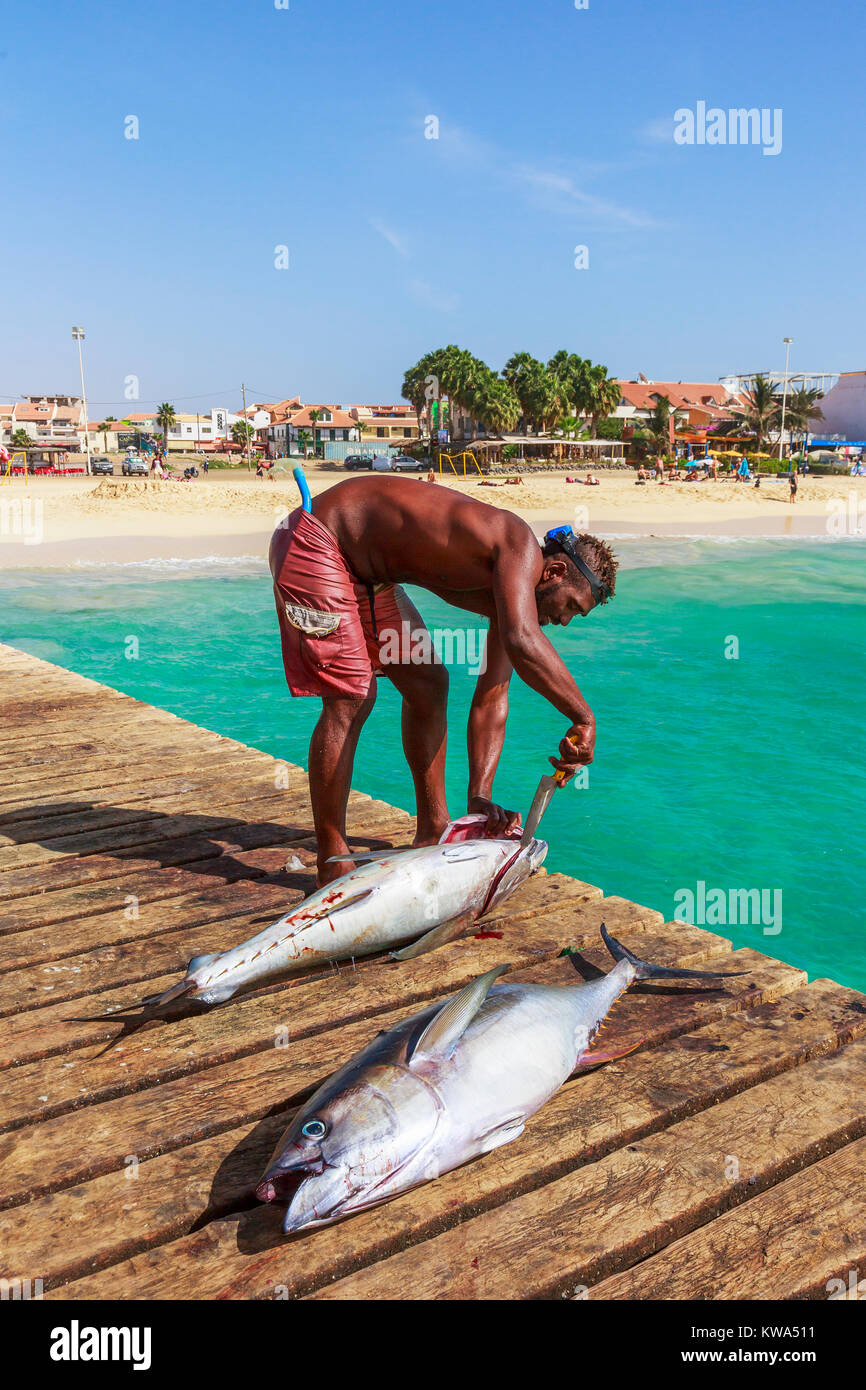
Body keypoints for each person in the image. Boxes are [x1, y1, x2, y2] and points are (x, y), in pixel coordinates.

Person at [269, 477, 617, 885]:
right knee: (353, 697)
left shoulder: (511, 599)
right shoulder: (517, 545)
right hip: (318, 541)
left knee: (428, 683)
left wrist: (479, 798)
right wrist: (584, 717)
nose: (563, 620)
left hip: (367, 574)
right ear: (554, 571)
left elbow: (493, 695)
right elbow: (524, 641)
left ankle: (434, 829)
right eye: (571, 606)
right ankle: (331, 861)